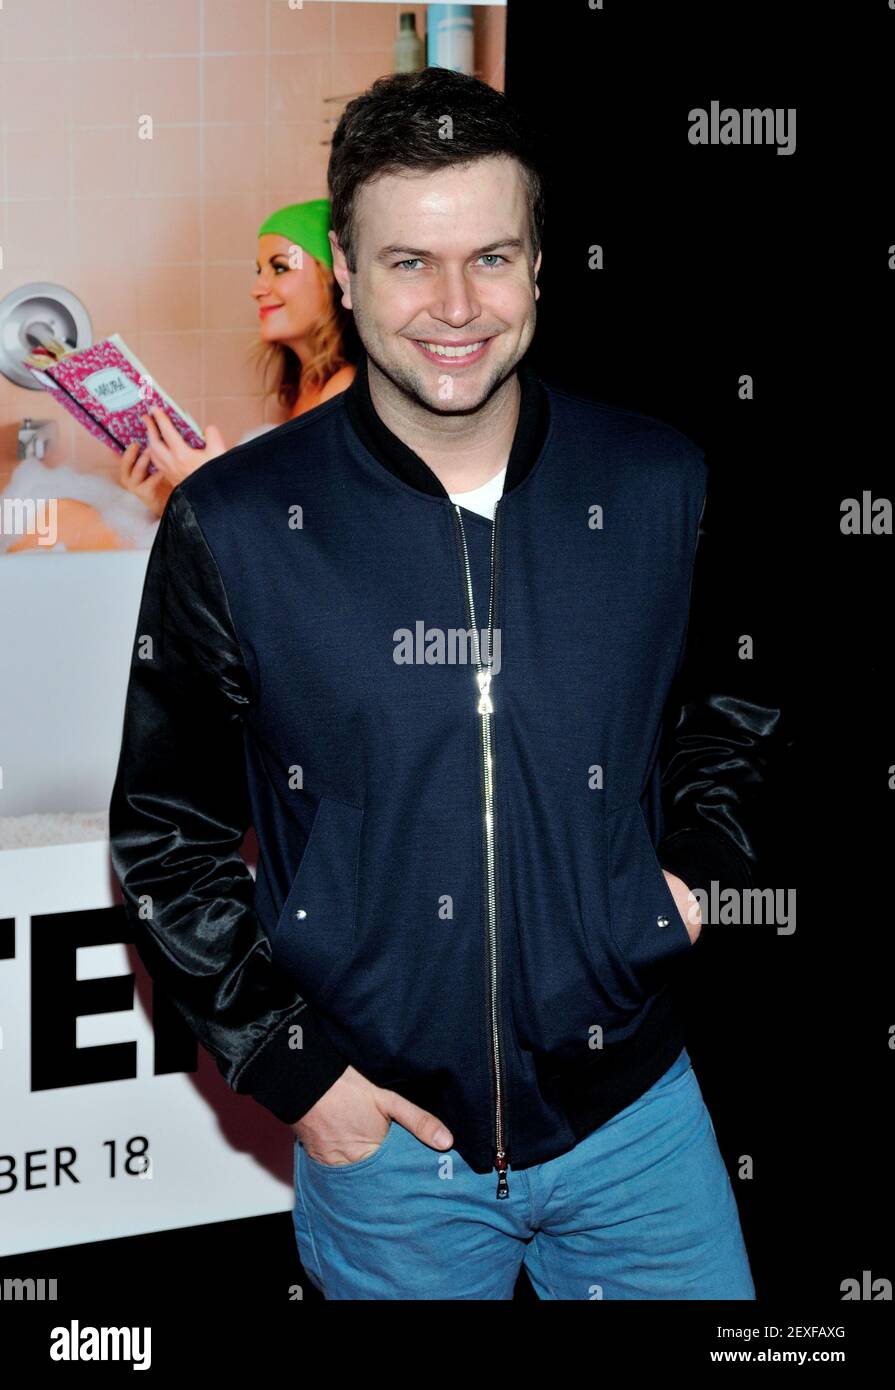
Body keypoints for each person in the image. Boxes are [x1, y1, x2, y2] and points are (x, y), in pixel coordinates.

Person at [109, 69, 783, 1299]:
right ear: (349, 278)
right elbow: (167, 837)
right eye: (410, 263)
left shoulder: (654, 482)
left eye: (492, 256)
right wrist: (292, 1074)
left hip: (635, 1120)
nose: (457, 305)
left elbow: (732, 710)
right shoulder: (240, 523)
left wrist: (695, 871)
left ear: (539, 267)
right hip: (386, 1159)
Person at [119, 199, 356, 518]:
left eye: (280, 267)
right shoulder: (303, 386)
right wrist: (166, 500)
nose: (257, 289)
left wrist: (207, 484)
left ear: (335, 277)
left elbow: (314, 529)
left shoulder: (345, 391)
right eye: (260, 271)